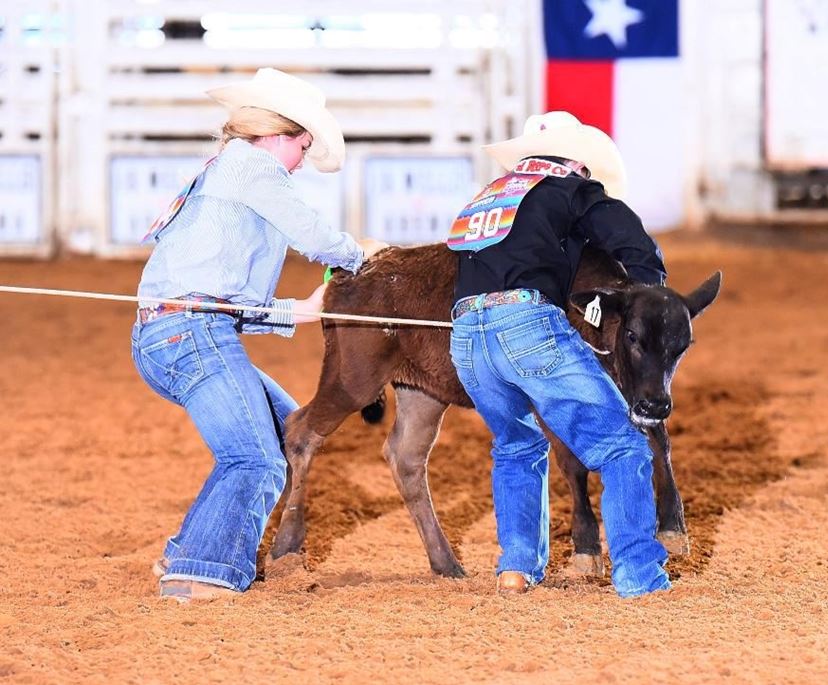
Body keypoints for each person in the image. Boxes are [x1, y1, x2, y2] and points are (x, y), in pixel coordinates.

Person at [131, 68, 386, 602]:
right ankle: (201, 574)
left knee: (280, 430)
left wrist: (300, 311)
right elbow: (313, 235)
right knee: (257, 457)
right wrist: (365, 258)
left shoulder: (227, 170)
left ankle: (188, 554)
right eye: (301, 144)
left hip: (175, 333)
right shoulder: (252, 166)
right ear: (275, 135)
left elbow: (226, 296)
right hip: (191, 332)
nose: (300, 160)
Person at [446, 111, 671, 598]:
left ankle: (516, 568)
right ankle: (639, 576)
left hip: (465, 335)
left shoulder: (494, 193)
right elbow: (634, 244)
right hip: (526, 326)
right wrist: (652, 294)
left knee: (516, 446)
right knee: (621, 446)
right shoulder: (572, 186)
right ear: (576, 158)